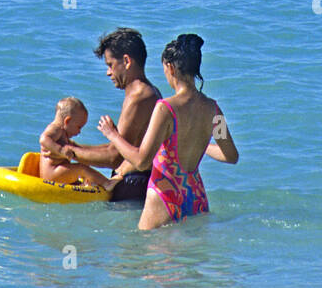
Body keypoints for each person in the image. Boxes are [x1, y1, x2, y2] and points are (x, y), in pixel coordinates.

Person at [97, 34, 239, 231]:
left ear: (170, 68)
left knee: (140, 255)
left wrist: (112, 134)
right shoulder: (214, 110)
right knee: (189, 259)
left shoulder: (165, 108)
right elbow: (230, 156)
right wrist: (199, 144)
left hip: (165, 196)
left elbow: (141, 160)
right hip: (195, 196)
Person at [70, 28, 161, 202]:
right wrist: (75, 147)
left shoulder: (139, 96)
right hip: (140, 182)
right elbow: (120, 147)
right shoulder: (148, 91)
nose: (108, 72)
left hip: (134, 185)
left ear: (126, 61)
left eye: (110, 65)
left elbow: (114, 156)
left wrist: (67, 153)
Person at [39, 97, 112, 189]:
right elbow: (44, 139)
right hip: (52, 174)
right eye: (79, 127)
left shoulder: (63, 134)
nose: (79, 132)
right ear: (67, 121)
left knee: (84, 162)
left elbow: (77, 148)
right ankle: (107, 183)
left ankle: (88, 182)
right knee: (81, 168)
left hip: (58, 172)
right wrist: (60, 150)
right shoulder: (56, 129)